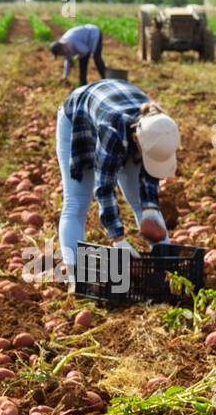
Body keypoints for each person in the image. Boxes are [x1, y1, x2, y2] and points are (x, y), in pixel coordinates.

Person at [56, 78, 177, 276]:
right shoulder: (112, 131)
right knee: (76, 202)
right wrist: (117, 239)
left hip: (120, 111)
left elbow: (152, 168)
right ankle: (74, 275)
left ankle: (165, 270)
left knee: (140, 202)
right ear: (136, 140)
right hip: (77, 118)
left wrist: (150, 210)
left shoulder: (161, 126)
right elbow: (104, 188)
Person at [50, 23, 107, 88]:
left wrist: (77, 57)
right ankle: (82, 85)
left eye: (59, 54)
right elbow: (67, 60)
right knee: (82, 61)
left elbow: (86, 51)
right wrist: (65, 75)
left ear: (60, 50)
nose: (61, 55)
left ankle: (106, 79)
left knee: (96, 58)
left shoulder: (71, 41)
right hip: (85, 40)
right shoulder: (63, 46)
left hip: (94, 34)